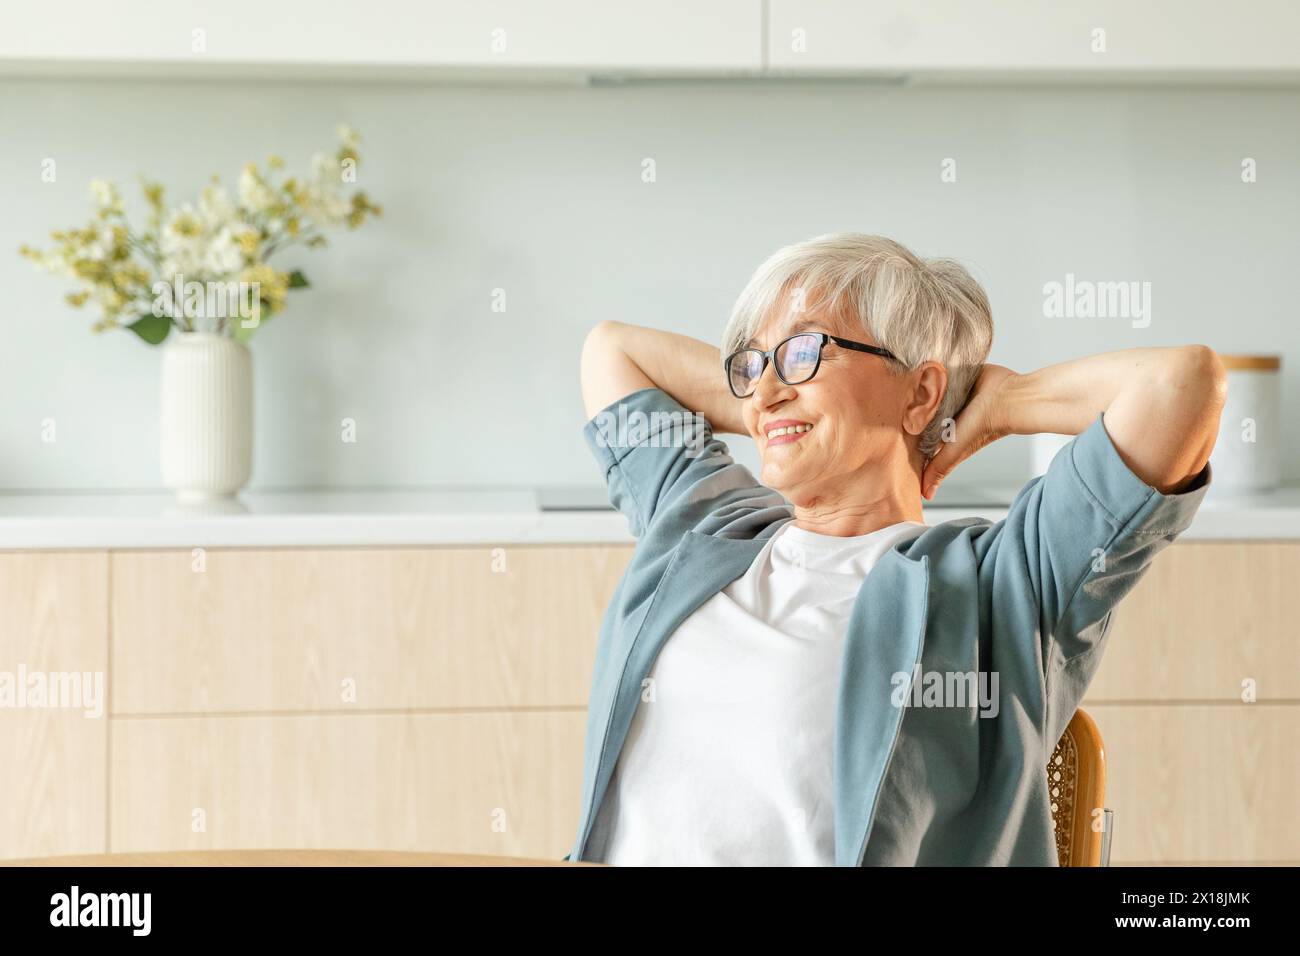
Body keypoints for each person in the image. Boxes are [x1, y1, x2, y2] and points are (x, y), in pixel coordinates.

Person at [567, 233, 1224, 865]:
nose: (761, 389)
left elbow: (1182, 384)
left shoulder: (1002, 584)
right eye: (751, 364)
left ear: (919, 389)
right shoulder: (706, 525)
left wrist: (999, 404)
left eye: (804, 352)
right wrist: (784, 410)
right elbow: (612, 352)